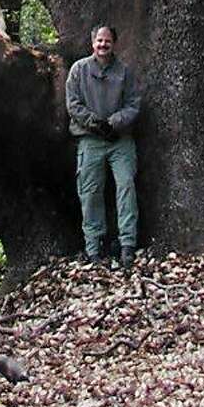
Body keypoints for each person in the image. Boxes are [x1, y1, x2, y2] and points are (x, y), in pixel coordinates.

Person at [65, 24, 141, 268]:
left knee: (126, 185)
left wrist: (114, 123)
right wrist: (95, 123)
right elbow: (73, 103)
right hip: (90, 139)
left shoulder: (124, 72)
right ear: (92, 42)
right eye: (99, 40)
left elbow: (133, 104)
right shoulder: (79, 70)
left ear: (114, 43)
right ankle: (94, 246)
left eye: (107, 41)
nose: (103, 45)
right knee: (90, 192)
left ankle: (128, 243)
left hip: (120, 139)